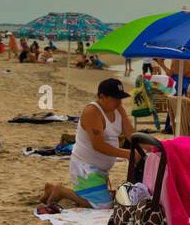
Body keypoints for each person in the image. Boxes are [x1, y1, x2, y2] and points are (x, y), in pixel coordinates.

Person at [40, 78, 134, 210]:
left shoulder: (118, 109)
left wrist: (153, 147)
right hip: (85, 168)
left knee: (108, 199)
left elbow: (131, 135)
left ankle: (52, 189)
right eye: (115, 98)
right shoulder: (92, 112)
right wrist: (127, 154)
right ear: (102, 97)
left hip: (101, 171)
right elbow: (98, 145)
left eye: (120, 98)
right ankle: (61, 191)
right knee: (103, 205)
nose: (119, 102)